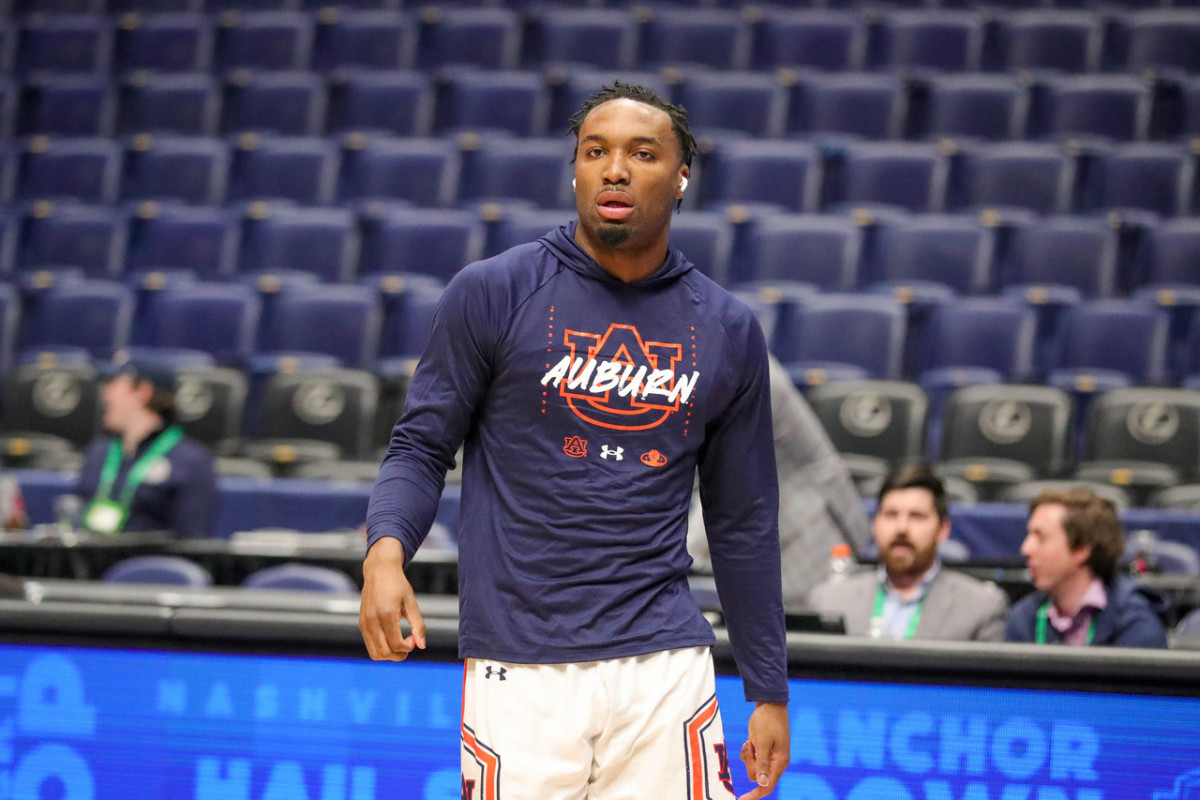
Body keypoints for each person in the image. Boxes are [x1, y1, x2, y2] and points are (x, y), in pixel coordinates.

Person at [359, 83, 790, 799]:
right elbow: (420, 445)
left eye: (641, 153)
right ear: (576, 171)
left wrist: (767, 687)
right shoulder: (492, 291)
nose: (614, 169)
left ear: (683, 177)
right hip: (519, 664)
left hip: (664, 661)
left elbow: (743, 521)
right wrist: (384, 552)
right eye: (596, 152)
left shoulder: (726, 326)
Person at [688, 353, 871, 607]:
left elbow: (714, 467)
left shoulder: (750, 370)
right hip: (760, 527)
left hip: (808, 531)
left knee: (804, 635)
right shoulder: (703, 359)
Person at [808, 465, 1008, 641]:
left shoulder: (981, 607)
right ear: (875, 524)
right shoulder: (828, 601)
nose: (902, 528)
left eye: (917, 516)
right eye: (891, 515)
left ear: (943, 529)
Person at [1006, 488, 1168, 648]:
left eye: (1041, 537)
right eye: (1029, 535)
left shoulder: (1136, 625)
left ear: (1081, 549)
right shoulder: (1023, 618)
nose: (1026, 548)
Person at [74, 358, 217, 538]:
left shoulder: (190, 462)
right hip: (89, 561)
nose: (105, 393)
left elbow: (193, 541)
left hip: (151, 562)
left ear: (143, 392)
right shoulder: (98, 453)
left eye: (113, 384)